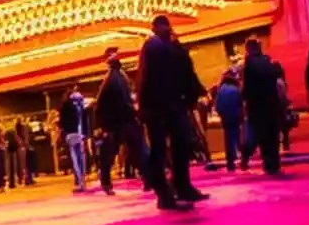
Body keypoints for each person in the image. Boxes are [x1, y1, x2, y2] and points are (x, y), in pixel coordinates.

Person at [138, 15, 206, 210]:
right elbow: (148, 78)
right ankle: (167, 192)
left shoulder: (166, 47)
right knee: (164, 149)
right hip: (161, 106)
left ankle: (177, 188)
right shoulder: (154, 47)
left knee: (178, 146)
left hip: (168, 105)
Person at [95, 50, 148, 195]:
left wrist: (102, 124)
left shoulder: (110, 80)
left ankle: (106, 181)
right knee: (138, 149)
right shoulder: (120, 79)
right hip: (123, 121)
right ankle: (149, 178)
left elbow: (100, 104)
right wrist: (134, 113)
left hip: (115, 123)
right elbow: (125, 102)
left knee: (111, 154)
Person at [241, 39, 284, 175]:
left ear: (248, 49)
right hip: (272, 103)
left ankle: (269, 164)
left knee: (263, 136)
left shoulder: (250, 64)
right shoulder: (267, 61)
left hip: (258, 106)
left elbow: (248, 88)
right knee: (273, 134)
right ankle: (275, 163)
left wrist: (245, 102)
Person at [59, 88, 90, 193]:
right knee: (82, 158)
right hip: (80, 134)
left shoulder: (65, 106)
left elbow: (62, 122)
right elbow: (85, 120)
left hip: (71, 134)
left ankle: (79, 182)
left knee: (75, 158)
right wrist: (85, 134)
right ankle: (83, 180)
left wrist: (65, 132)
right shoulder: (81, 105)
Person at [214, 70, 243, 172]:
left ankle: (230, 161)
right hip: (235, 116)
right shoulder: (236, 89)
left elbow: (217, 106)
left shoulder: (221, 90)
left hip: (226, 117)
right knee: (237, 136)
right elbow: (241, 103)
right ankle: (242, 157)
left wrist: (221, 114)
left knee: (228, 138)